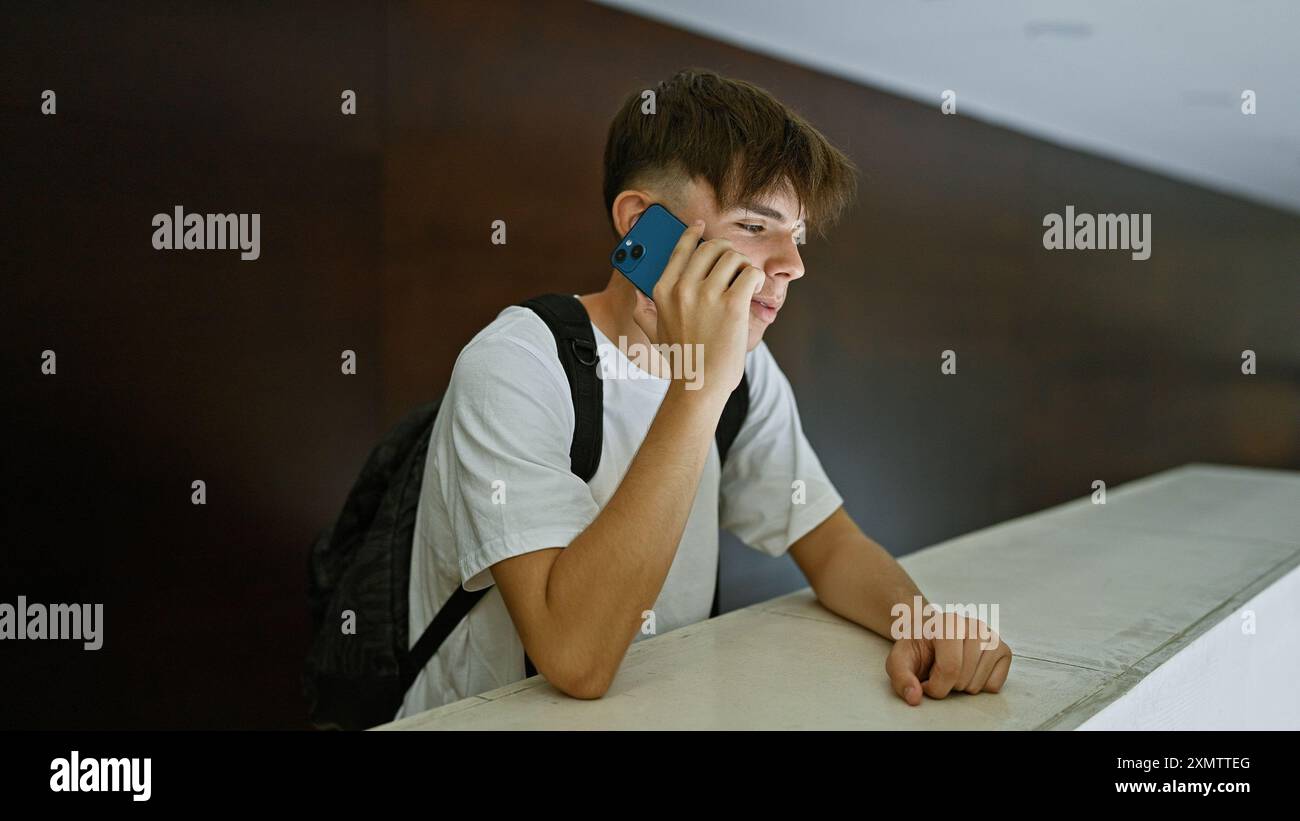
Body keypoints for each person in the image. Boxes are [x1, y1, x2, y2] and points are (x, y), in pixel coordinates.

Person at [395, 68, 1012, 720]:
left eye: (795, 237)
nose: (793, 264)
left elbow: (829, 544)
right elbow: (574, 658)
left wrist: (920, 622)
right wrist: (698, 386)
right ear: (643, 226)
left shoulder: (745, 367)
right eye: (755, 225)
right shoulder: (514, 365)